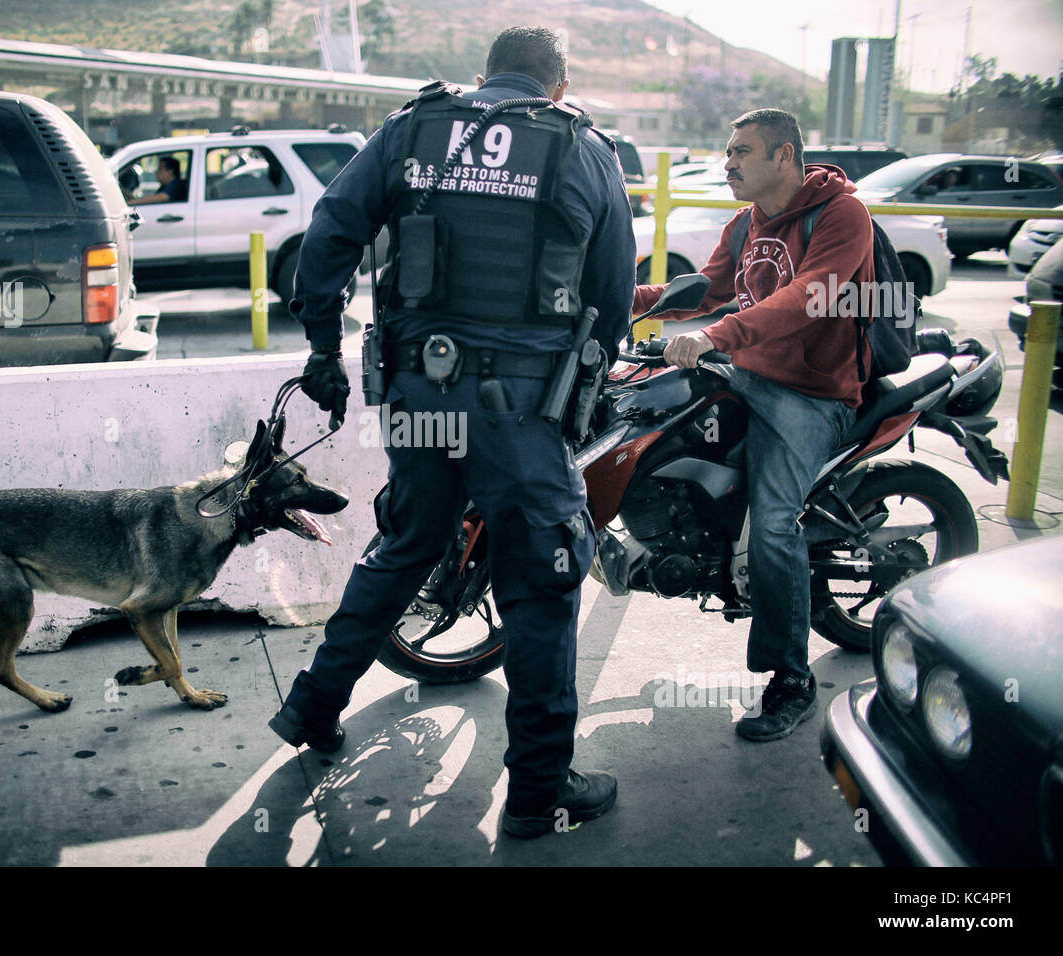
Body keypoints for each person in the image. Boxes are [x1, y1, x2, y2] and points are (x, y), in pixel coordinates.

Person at [268, 25, 635, 839]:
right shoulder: (584, 149)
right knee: (541, 583)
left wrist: (323, 348)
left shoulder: (414, 127)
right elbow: (614, 294)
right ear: (559, 88)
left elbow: (329, 231)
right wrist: (593, 382)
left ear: (483, 76)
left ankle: (312, 711)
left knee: (405, 546)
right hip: (520, 414)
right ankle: (540, 794)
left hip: (417, 394)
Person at [635, 108, 869, 742]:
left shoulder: (842, 215)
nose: (728, 162)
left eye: (741, 150)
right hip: (747, 374)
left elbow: (809, 293)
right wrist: (620, 302)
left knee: (772, 522)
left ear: (784, 156)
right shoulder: (744, 226)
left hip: (812, 393)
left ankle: (791, 680)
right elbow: (703, 289)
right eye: (727, 150)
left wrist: (717, 335)